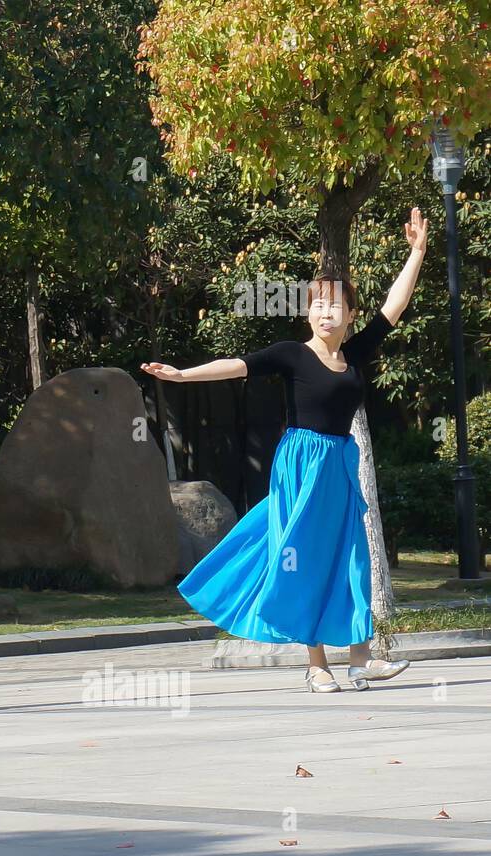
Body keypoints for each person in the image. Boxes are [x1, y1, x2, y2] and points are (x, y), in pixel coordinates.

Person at [141, 207, 429, 693]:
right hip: (301, 465)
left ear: (350, 315)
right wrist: (184, 375)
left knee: (352, 557)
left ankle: (361, 659)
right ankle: (317, 665)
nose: (324, 313)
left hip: (339, 465)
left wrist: (418, 250)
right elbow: (236, 365)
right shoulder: (292, 355)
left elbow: (394, 307)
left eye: (335, 306)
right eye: (317, 305)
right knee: (305, 558)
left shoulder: (355, 354)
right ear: (308, 312)